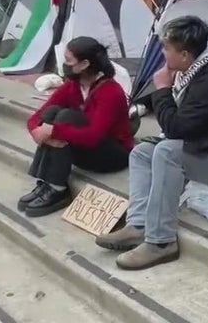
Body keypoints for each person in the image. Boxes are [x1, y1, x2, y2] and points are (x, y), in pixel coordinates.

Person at [95, 15, 208, 270]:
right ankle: (139, 224)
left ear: (184, 55)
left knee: (166, 151)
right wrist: (156, 95)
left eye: (166, 49)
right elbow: (179, 120)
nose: (163, 54)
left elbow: (175, 129)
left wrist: (161, 88)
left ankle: (161, 241)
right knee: (141, 152)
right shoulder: (193, 69)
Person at [18, 36, 134, 217]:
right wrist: (37, 131)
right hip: (87, 147)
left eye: (69, 61)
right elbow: (38, 115)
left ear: (85, 64)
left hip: (113, 154)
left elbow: (94, 136)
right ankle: (45, 182)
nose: (65, 65)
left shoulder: (110, 91)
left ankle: (58, 188)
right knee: (52, 113)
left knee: (65, 117)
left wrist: (54, 131)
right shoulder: (73, 86)